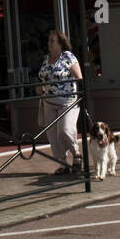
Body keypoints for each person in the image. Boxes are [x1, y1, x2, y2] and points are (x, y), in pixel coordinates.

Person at [37, 29, 84, 174]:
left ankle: (76, 155)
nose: (49, 44)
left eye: (52, 41)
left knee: (65, 130)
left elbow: (79, 77)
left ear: (60, 43)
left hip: (67, 101)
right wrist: (40, 87)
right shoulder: (46, 58)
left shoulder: (68, 57)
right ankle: (62, 163)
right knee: (52, 134)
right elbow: (42, 77)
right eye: (49, 41)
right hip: (48, 101)